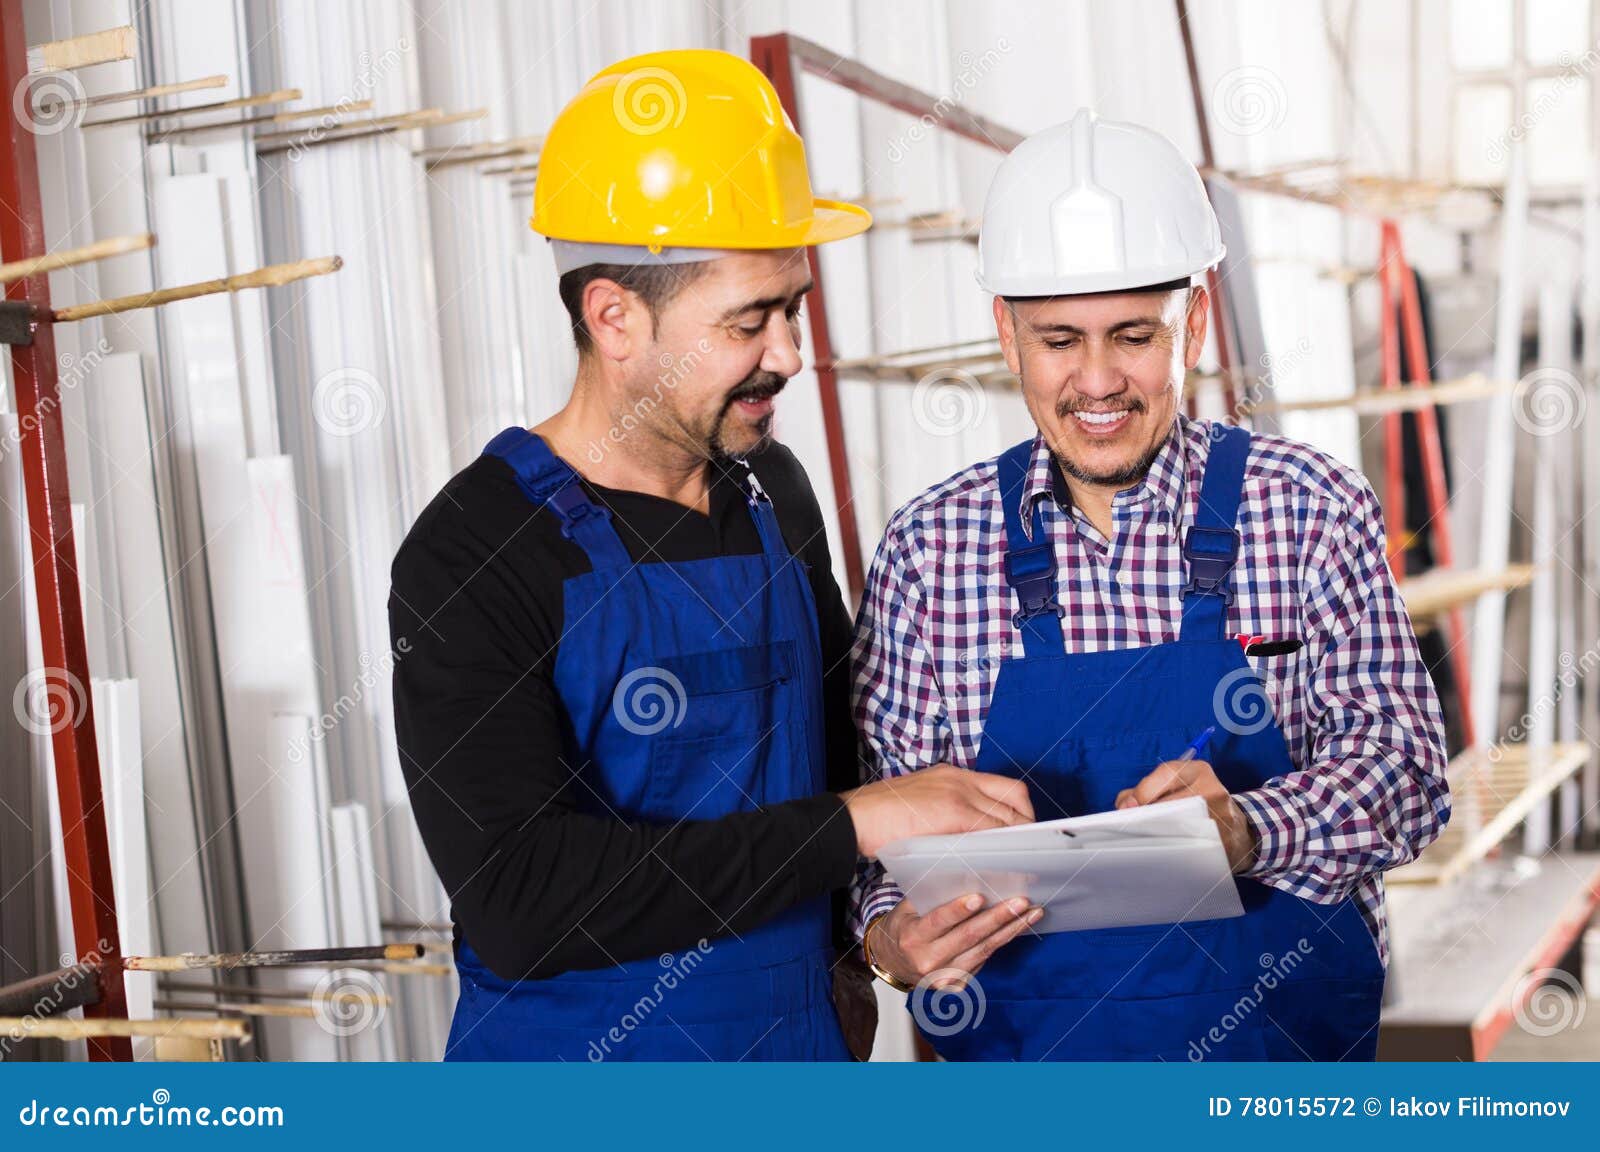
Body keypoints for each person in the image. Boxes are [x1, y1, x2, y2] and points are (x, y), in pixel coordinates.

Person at [388, 48, 1033, 1062]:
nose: (787, 354)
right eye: (749, 321)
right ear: (614, 317)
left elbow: (832, 757)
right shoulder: (476, 547)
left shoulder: (773, 493)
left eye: (794, 309)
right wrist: (854, 823)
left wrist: (869, 934)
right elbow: (523, 897)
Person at [850, 109, 1451, 1061]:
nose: (1097, 382)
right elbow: (878, 827)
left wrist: (1249, 827)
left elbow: (1409, 773)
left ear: (1196, 322)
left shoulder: (1309, 508)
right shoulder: (931, 550)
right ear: (1006, 334)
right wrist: (889, 937)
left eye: (1133, 335)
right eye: (1059, 340)